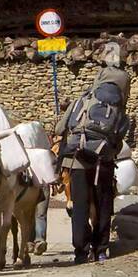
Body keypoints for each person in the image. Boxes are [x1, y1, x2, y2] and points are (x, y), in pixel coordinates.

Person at [55, 47, 131, 264]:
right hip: (102, 161)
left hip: (77, 159)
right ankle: (101, 249)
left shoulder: (84, 99)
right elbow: (120, 137)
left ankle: (80, 251)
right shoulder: (119, 107)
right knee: (104, 204)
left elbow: (61, 129)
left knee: (79, 205)